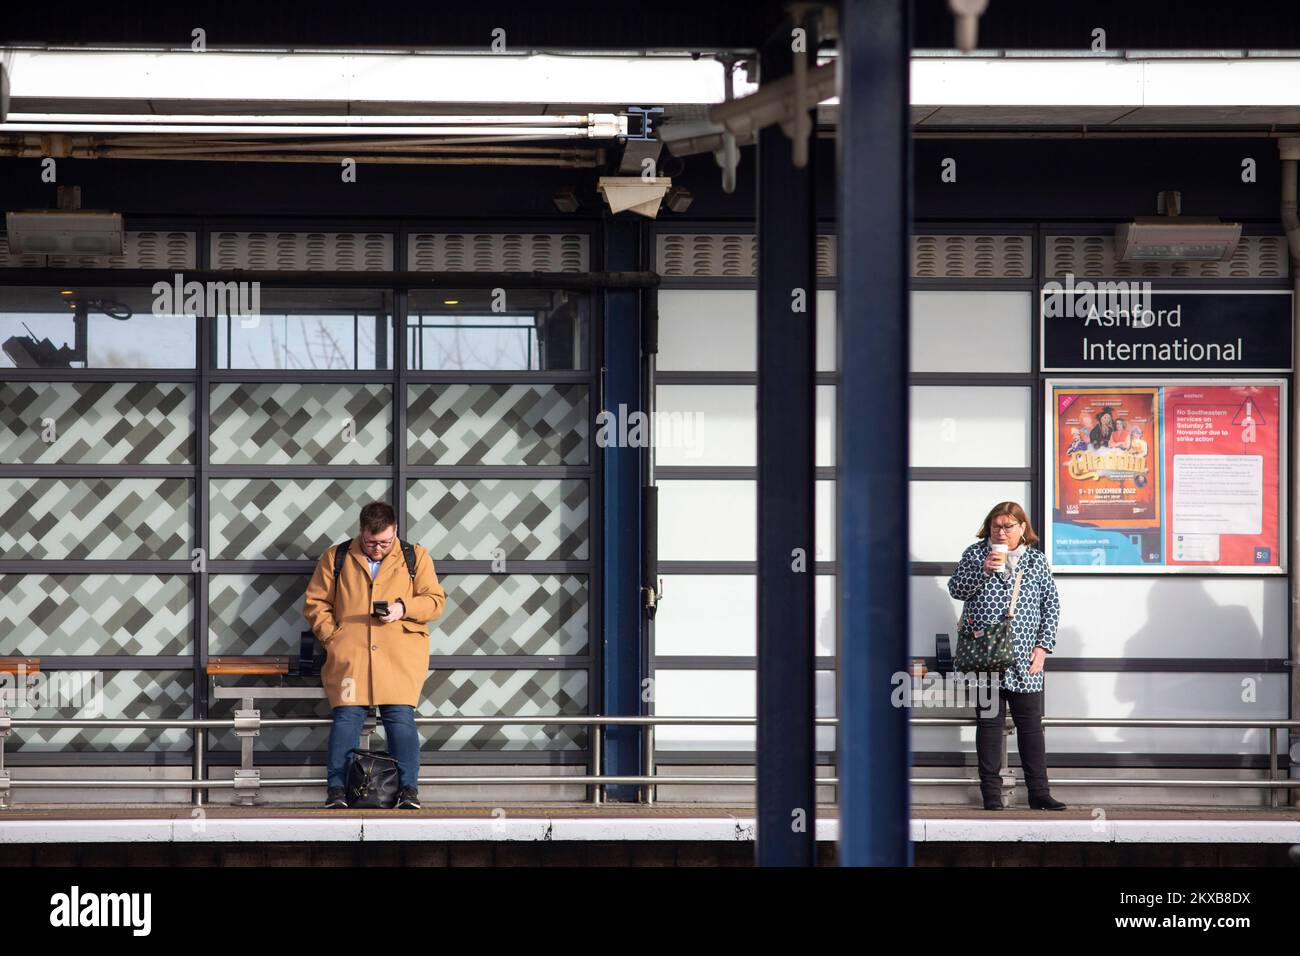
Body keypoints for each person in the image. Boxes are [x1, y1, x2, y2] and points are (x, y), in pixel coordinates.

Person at [303, 501, 446, 810]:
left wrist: (403, 608)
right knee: (346, 720)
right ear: (361, 532)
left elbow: (435, 601)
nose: (378, 548)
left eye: (385, 541)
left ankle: (408, 791)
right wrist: (333, 636)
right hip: (351, 655)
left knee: (400, 720)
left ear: (395, 530)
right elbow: (316, 602)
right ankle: (336, 791)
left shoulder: (415, 556)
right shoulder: (337, 556)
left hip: (400, 656)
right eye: (371, 542)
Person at [947, 501, 1066, 811]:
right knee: (988, 725)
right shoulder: (975, 554)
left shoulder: (1036, 561)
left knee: (1030, 727)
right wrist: (982, 570)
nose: (1001, 531)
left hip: (1025, 658)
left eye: (1008, 526)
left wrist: (1043, 646)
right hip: (985, 656)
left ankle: (1039, 792)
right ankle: (991, 795)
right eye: (996, 525)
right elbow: (956, 589)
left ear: (1022, 528)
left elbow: (1050, 606)